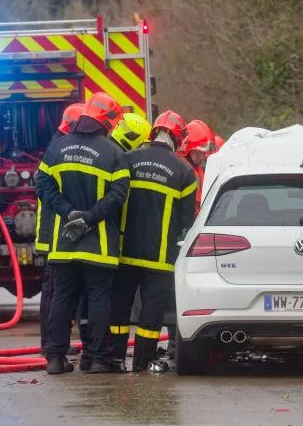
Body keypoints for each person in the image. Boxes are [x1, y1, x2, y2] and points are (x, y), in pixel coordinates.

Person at [36, 93, 129, 374]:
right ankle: (99, 358)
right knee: (98, 297)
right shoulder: (114, 152)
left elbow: (42, 185)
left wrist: (68, 213)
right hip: (98, 242)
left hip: (64, 241)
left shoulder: (57, 148)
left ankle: (55, 358)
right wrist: (90, 218)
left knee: (62, 296)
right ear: (109, 121)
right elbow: (119, 195)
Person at [109, 110, 196, 372]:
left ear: (152, 132)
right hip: (160, 256)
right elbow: (186, 221)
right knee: (152, 311)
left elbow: (113, 199)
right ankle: (142, 361)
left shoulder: (127, 159)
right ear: (178, 138)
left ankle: (115, 357)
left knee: (120, 306)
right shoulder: (185, 171)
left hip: (125, 251)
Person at [179, 120, 216, 210]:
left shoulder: (196, 169)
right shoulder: (181, 170)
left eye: (205, 153)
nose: (203, 157)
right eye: (200, 152)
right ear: (188, 149)